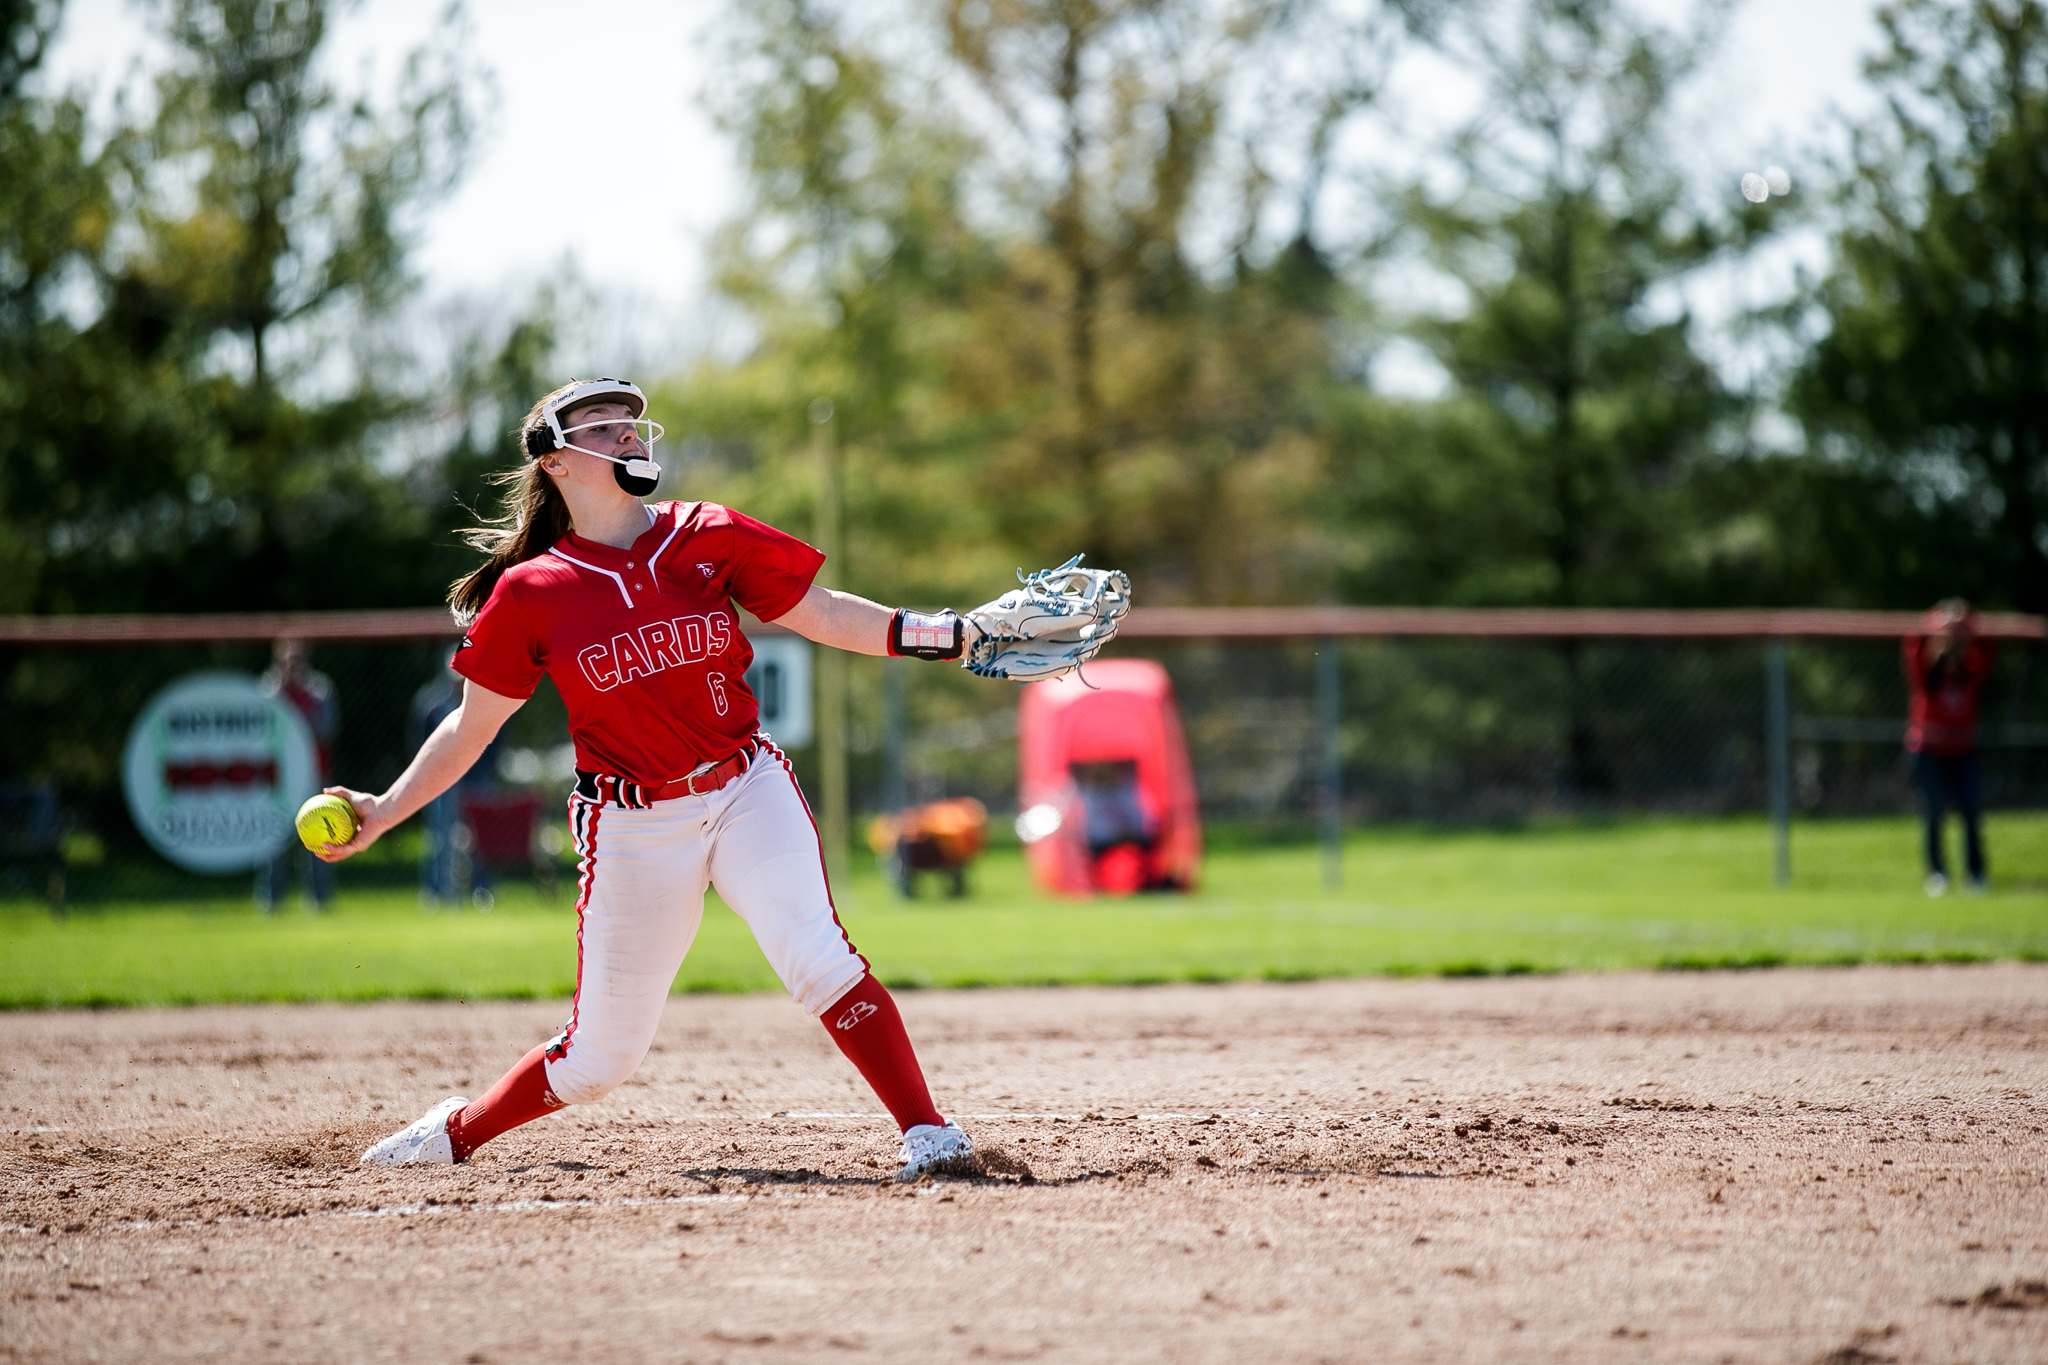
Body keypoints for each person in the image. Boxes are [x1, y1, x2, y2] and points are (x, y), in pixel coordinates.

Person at [318, 378, 1000, 1181]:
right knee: (599, 1059)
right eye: (602, 427)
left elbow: (818, 613)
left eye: (632, 424)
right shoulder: (532, 592)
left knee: (818, 957)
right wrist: (385, 809)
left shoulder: (706, 533)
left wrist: (952, 634)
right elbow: (472, 728)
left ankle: (929, 1131)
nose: (629, 435)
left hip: (746, 784)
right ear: (555, 462)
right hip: (633, 823)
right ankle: (455, 1132)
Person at [1903, 599, 1994, 896]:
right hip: (1929, 752)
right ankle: (1937, 873)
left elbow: (1987, 647)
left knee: (1970, 812)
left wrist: (1964, 621)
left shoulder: (1971, 676)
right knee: (1934, 812)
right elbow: (1913, 644)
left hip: (1962, 751)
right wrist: (1939, 620)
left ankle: (1976, 874)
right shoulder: (1926, 679)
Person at [258, 638, 338, 911]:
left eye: (296, 659)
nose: (291, 665)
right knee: (274, 839)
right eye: (286, 660)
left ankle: (318, 899)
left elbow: (327, 729)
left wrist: (294, 723)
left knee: (319, 840)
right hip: (278, 779)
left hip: (314, 774)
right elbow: (262, 734)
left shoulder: (318, 690)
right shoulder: (268, 691)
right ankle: (271, 900)